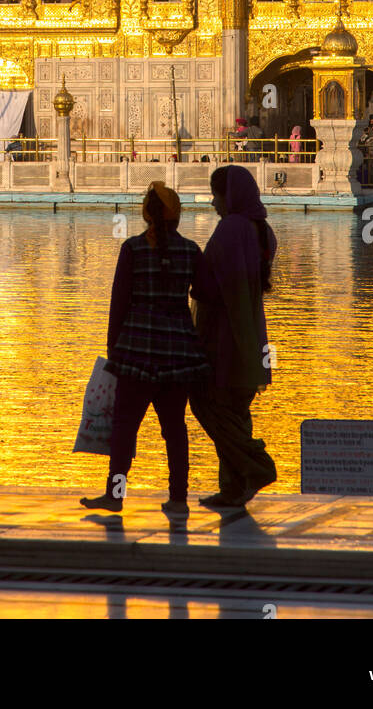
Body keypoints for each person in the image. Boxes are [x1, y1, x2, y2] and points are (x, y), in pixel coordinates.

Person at [81, 182, 210, 518]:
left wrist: (114, 351)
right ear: (177, 217)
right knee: (175, 431)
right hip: (177, 354)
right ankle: (178, 497)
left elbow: (119, 303)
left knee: (125, 429)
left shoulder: (133, 249)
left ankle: (115, 494)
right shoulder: (191, 252)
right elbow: (204, 293)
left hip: (136, 352)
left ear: (147, 215)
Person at [188, 165, 277, 510]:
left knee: (206, 402)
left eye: (217, 195)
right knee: (236, 411)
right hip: (253, 332)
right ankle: (234, 487)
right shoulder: (262, 230)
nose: (213, 203)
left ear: (231, 195)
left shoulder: (231, 229)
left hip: (223, 335)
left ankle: (257, 465)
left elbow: (210, 286)